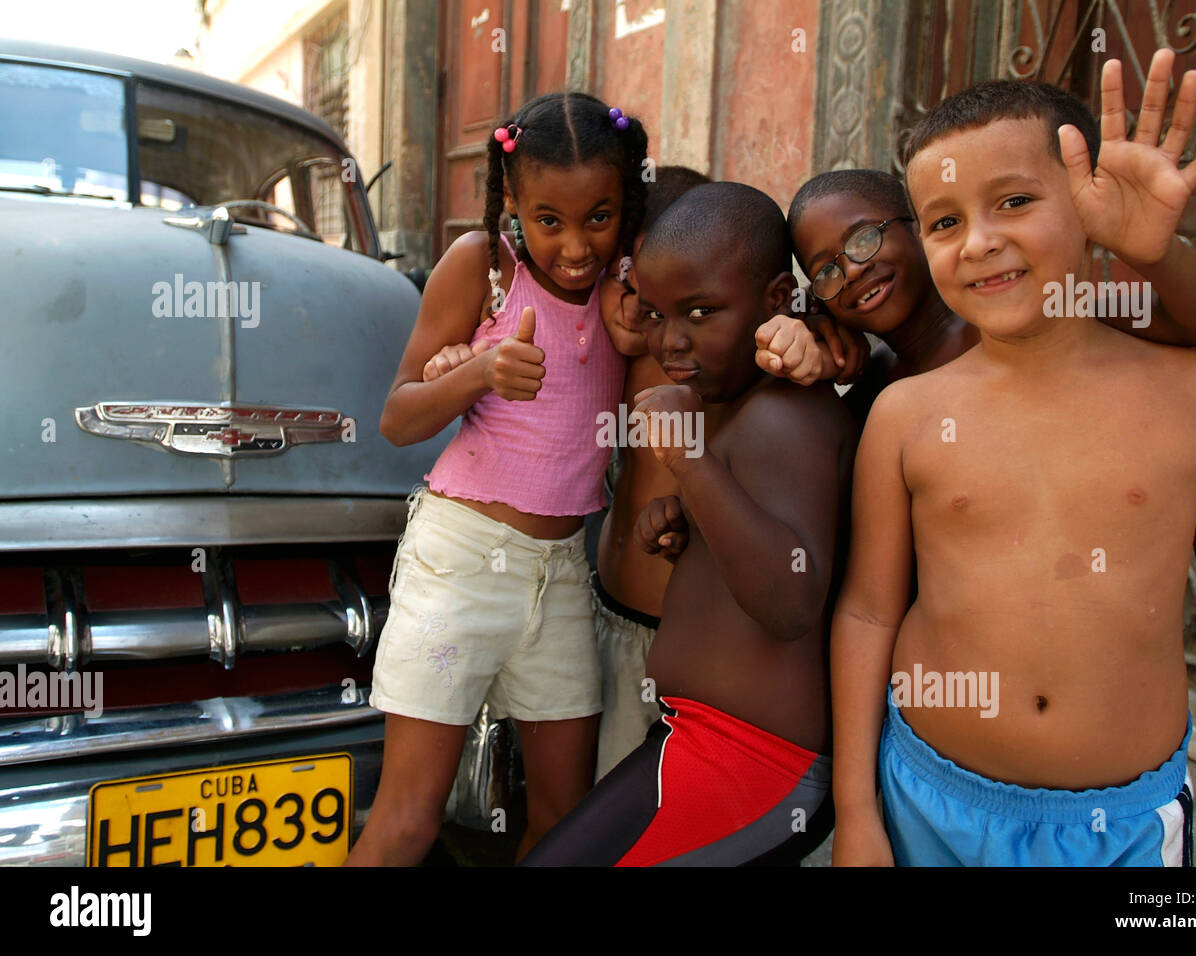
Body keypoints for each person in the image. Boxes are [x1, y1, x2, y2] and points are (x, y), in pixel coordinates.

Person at [831, 58, 1196, 866]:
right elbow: (869, 612)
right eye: (943, 223)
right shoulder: (908, 415)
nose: (980, 242)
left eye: (1015, 201)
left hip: (1123, 823)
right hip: (928, 800)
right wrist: (857, 813)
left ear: (1091, 203)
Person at [344, 92, 648, 865]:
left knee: (563, 820)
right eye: (550, 220)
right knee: (409, 821)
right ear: (513, 202)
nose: (575, 245)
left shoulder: (632, 287)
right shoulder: (482, 265)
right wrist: (479, 371)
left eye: (599, 217)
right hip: (462, 564)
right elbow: (398, 418)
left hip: (561, 575)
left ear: (629, 203)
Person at [522, 182, 857, 866]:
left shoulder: (788, 415)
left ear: (774, 302)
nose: (670, 341)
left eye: (700, 312)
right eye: (656, 313)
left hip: (757, 762)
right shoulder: (732, 403)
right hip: (700, 739)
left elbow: (791, 600)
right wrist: (684, 529)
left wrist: (692, 462)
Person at [760, 50, 1196, 421]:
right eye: (826, 271)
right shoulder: (877, 391)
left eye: (865, 239)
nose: (853, 270)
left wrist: (1154, 256)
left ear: (915, 228)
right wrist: (806, 347)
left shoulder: (1035, 309)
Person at [423, 167, 713, 782]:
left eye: (678, 293)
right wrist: (462, 362)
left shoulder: (721, 359)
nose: (639, 308)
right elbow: (482, 359)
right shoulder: (598, 338)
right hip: (602, 611)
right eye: (629, 280)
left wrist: (812, 334)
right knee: (597, 804)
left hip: (694, 643)